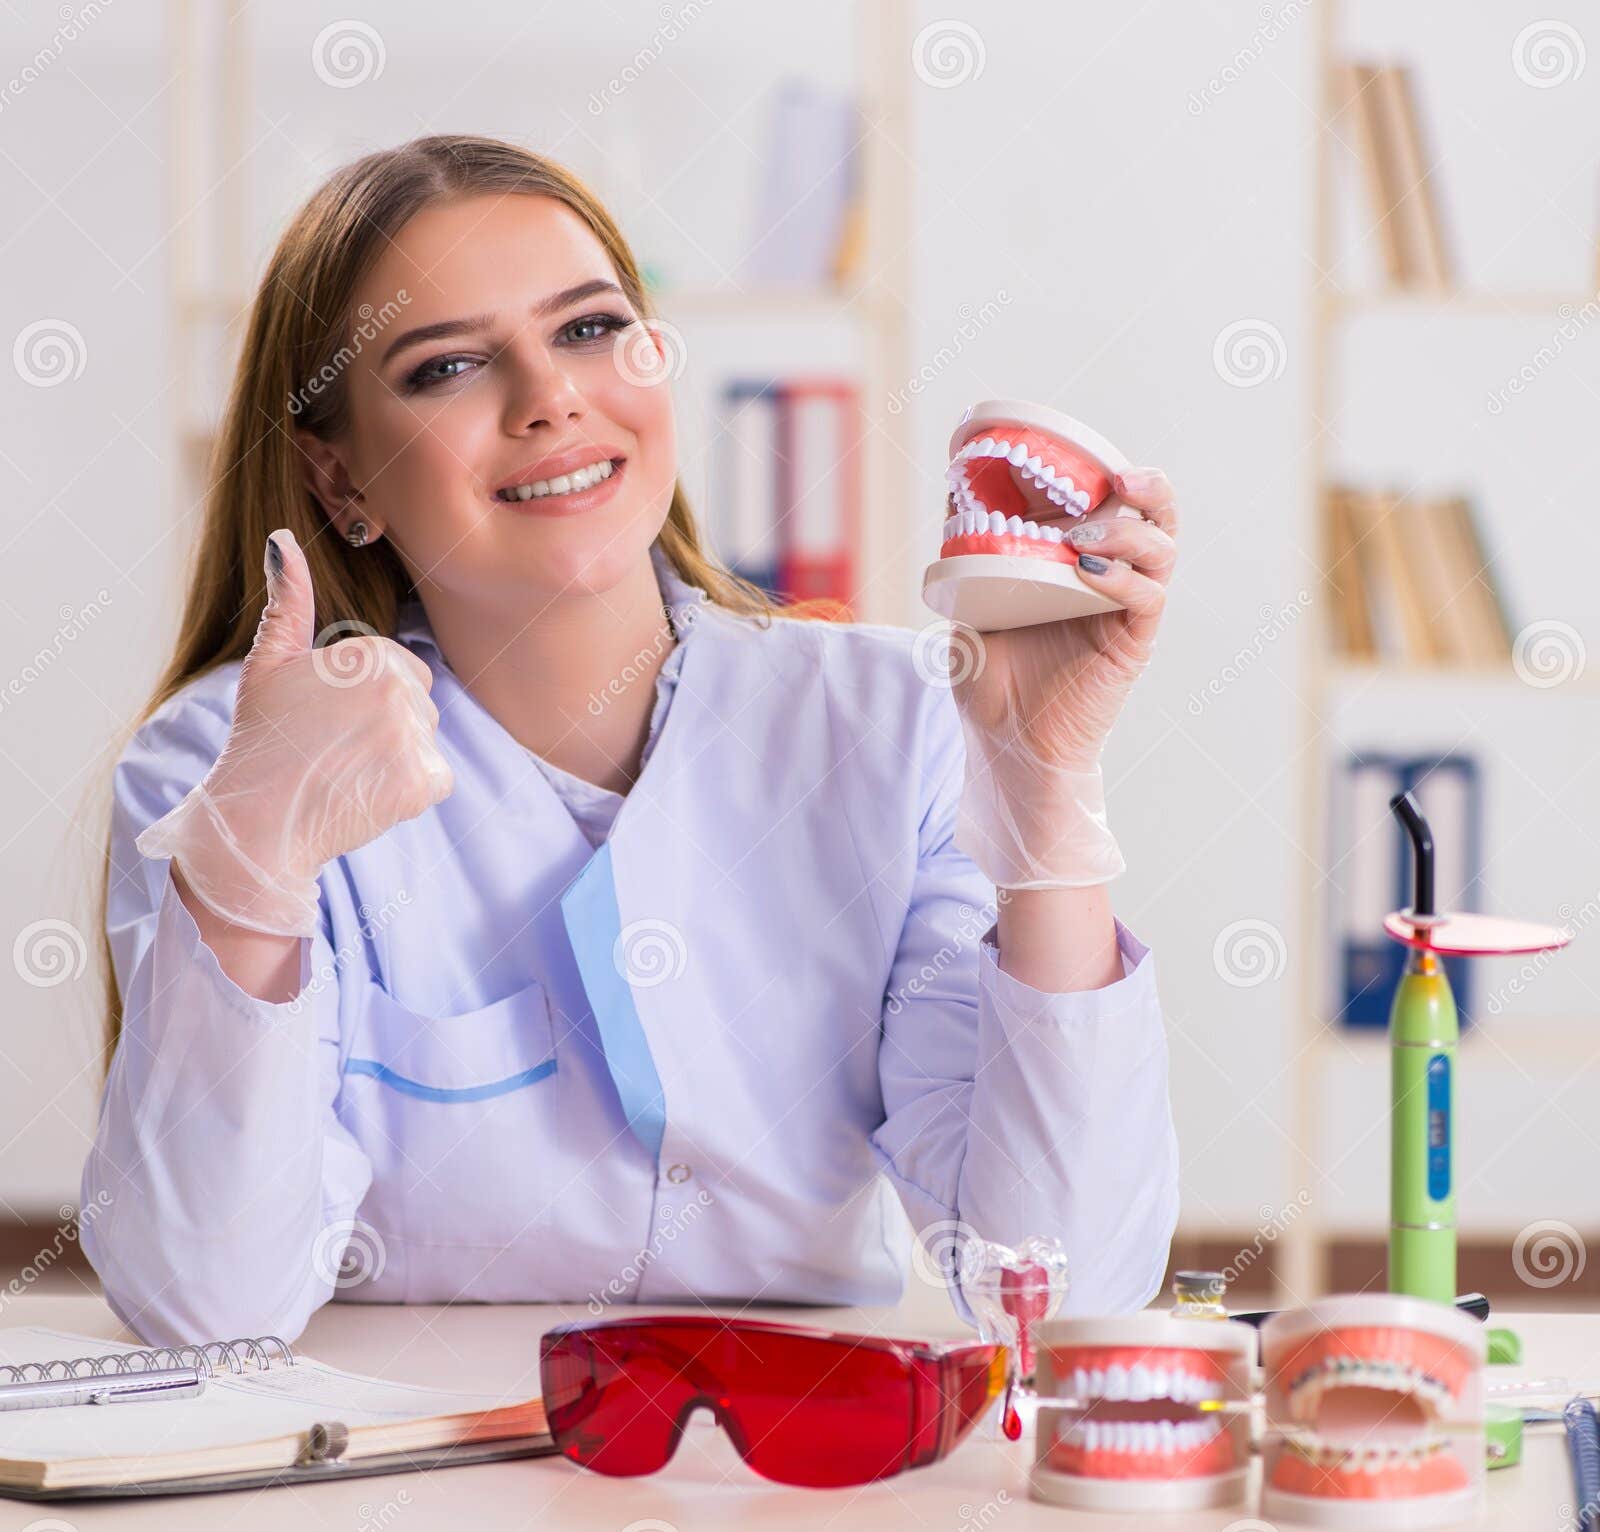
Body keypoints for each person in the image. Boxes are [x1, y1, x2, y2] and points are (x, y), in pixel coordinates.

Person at [81, 136, 1181, 1345]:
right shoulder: (225, 766)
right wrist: (253, 866)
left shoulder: (894, 720)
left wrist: (1042, 794)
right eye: (446, 365)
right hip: (412, 1496)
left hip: (790, 1484)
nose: (550, 396)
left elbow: (1062, 1289)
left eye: (591, 328)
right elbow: (204, 1306)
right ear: (340, 478)